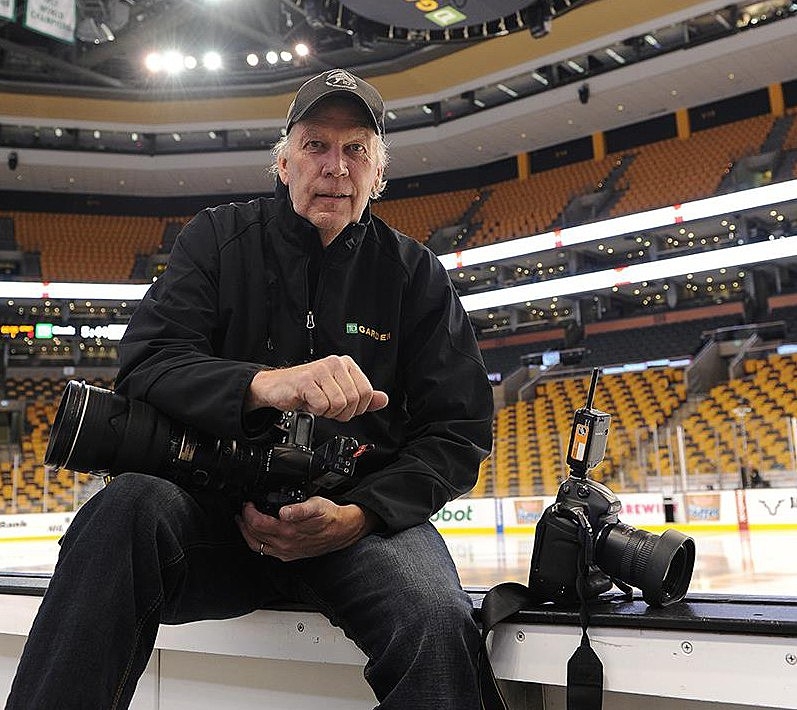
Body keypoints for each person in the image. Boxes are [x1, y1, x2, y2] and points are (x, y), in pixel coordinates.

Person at [6, 68, 494, 709]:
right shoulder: (216, 239)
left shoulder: (415, 275)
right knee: (120, 512)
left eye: (356, 150)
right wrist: (264, 386)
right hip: (213, 517)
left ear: (378, 174)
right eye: (316, 145)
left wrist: (362, 514)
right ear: (284, 162)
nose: (336, 167)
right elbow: (148, 363)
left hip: (358, 525)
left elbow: (458, 429)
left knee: (436, 618)